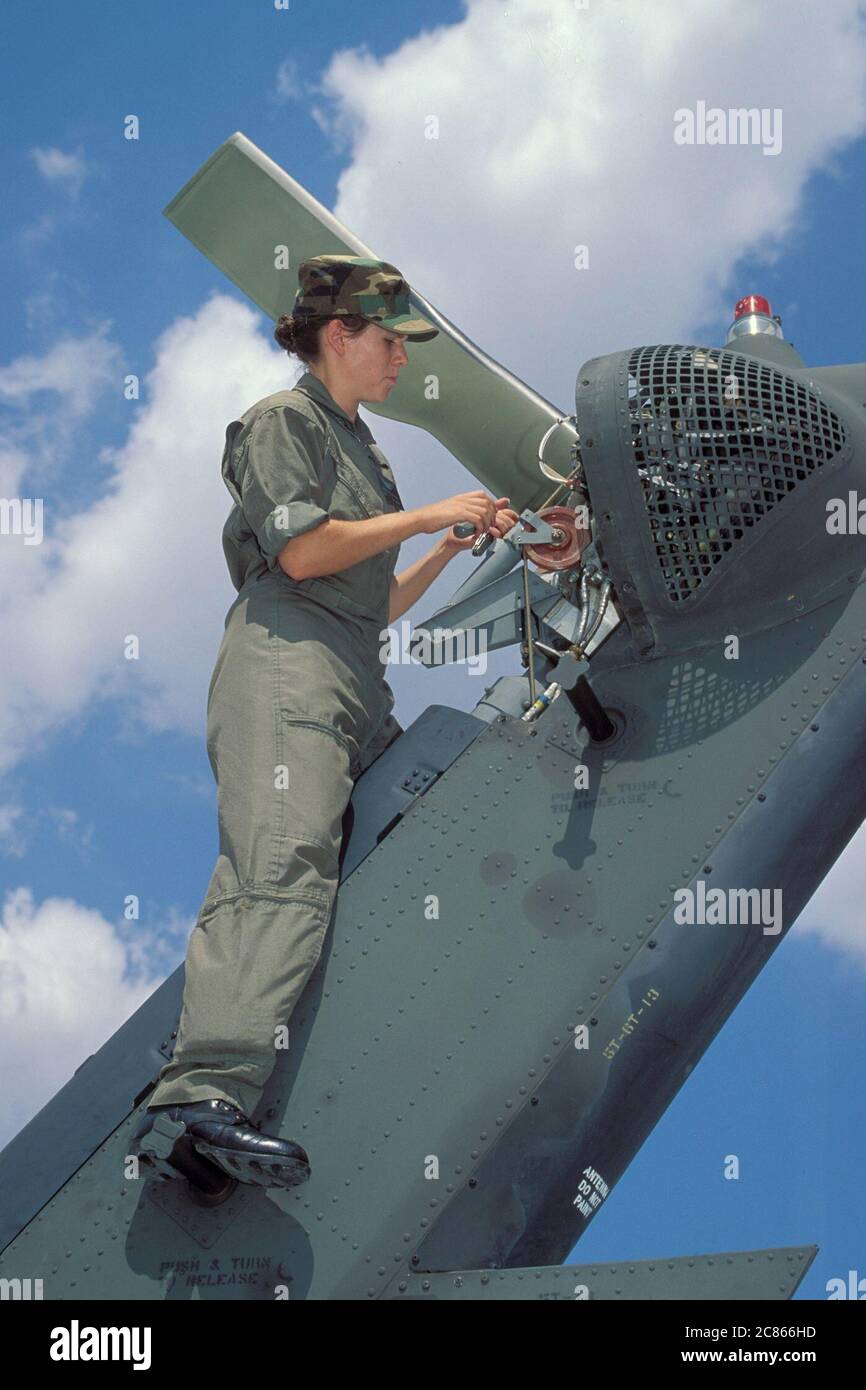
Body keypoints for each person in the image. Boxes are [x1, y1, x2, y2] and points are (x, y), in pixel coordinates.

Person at [130, 256, 518, 1192]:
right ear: (339, 335)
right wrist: (427, 513)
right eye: (390, 342)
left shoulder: (364, 449)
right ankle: (200, 1094)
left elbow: (375, 602)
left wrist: (442, 545)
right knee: (282, 861)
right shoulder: (281, 423)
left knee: (410, 837)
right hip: (286, 664)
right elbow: (303, 553)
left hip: (352, 669)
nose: (400, 363)